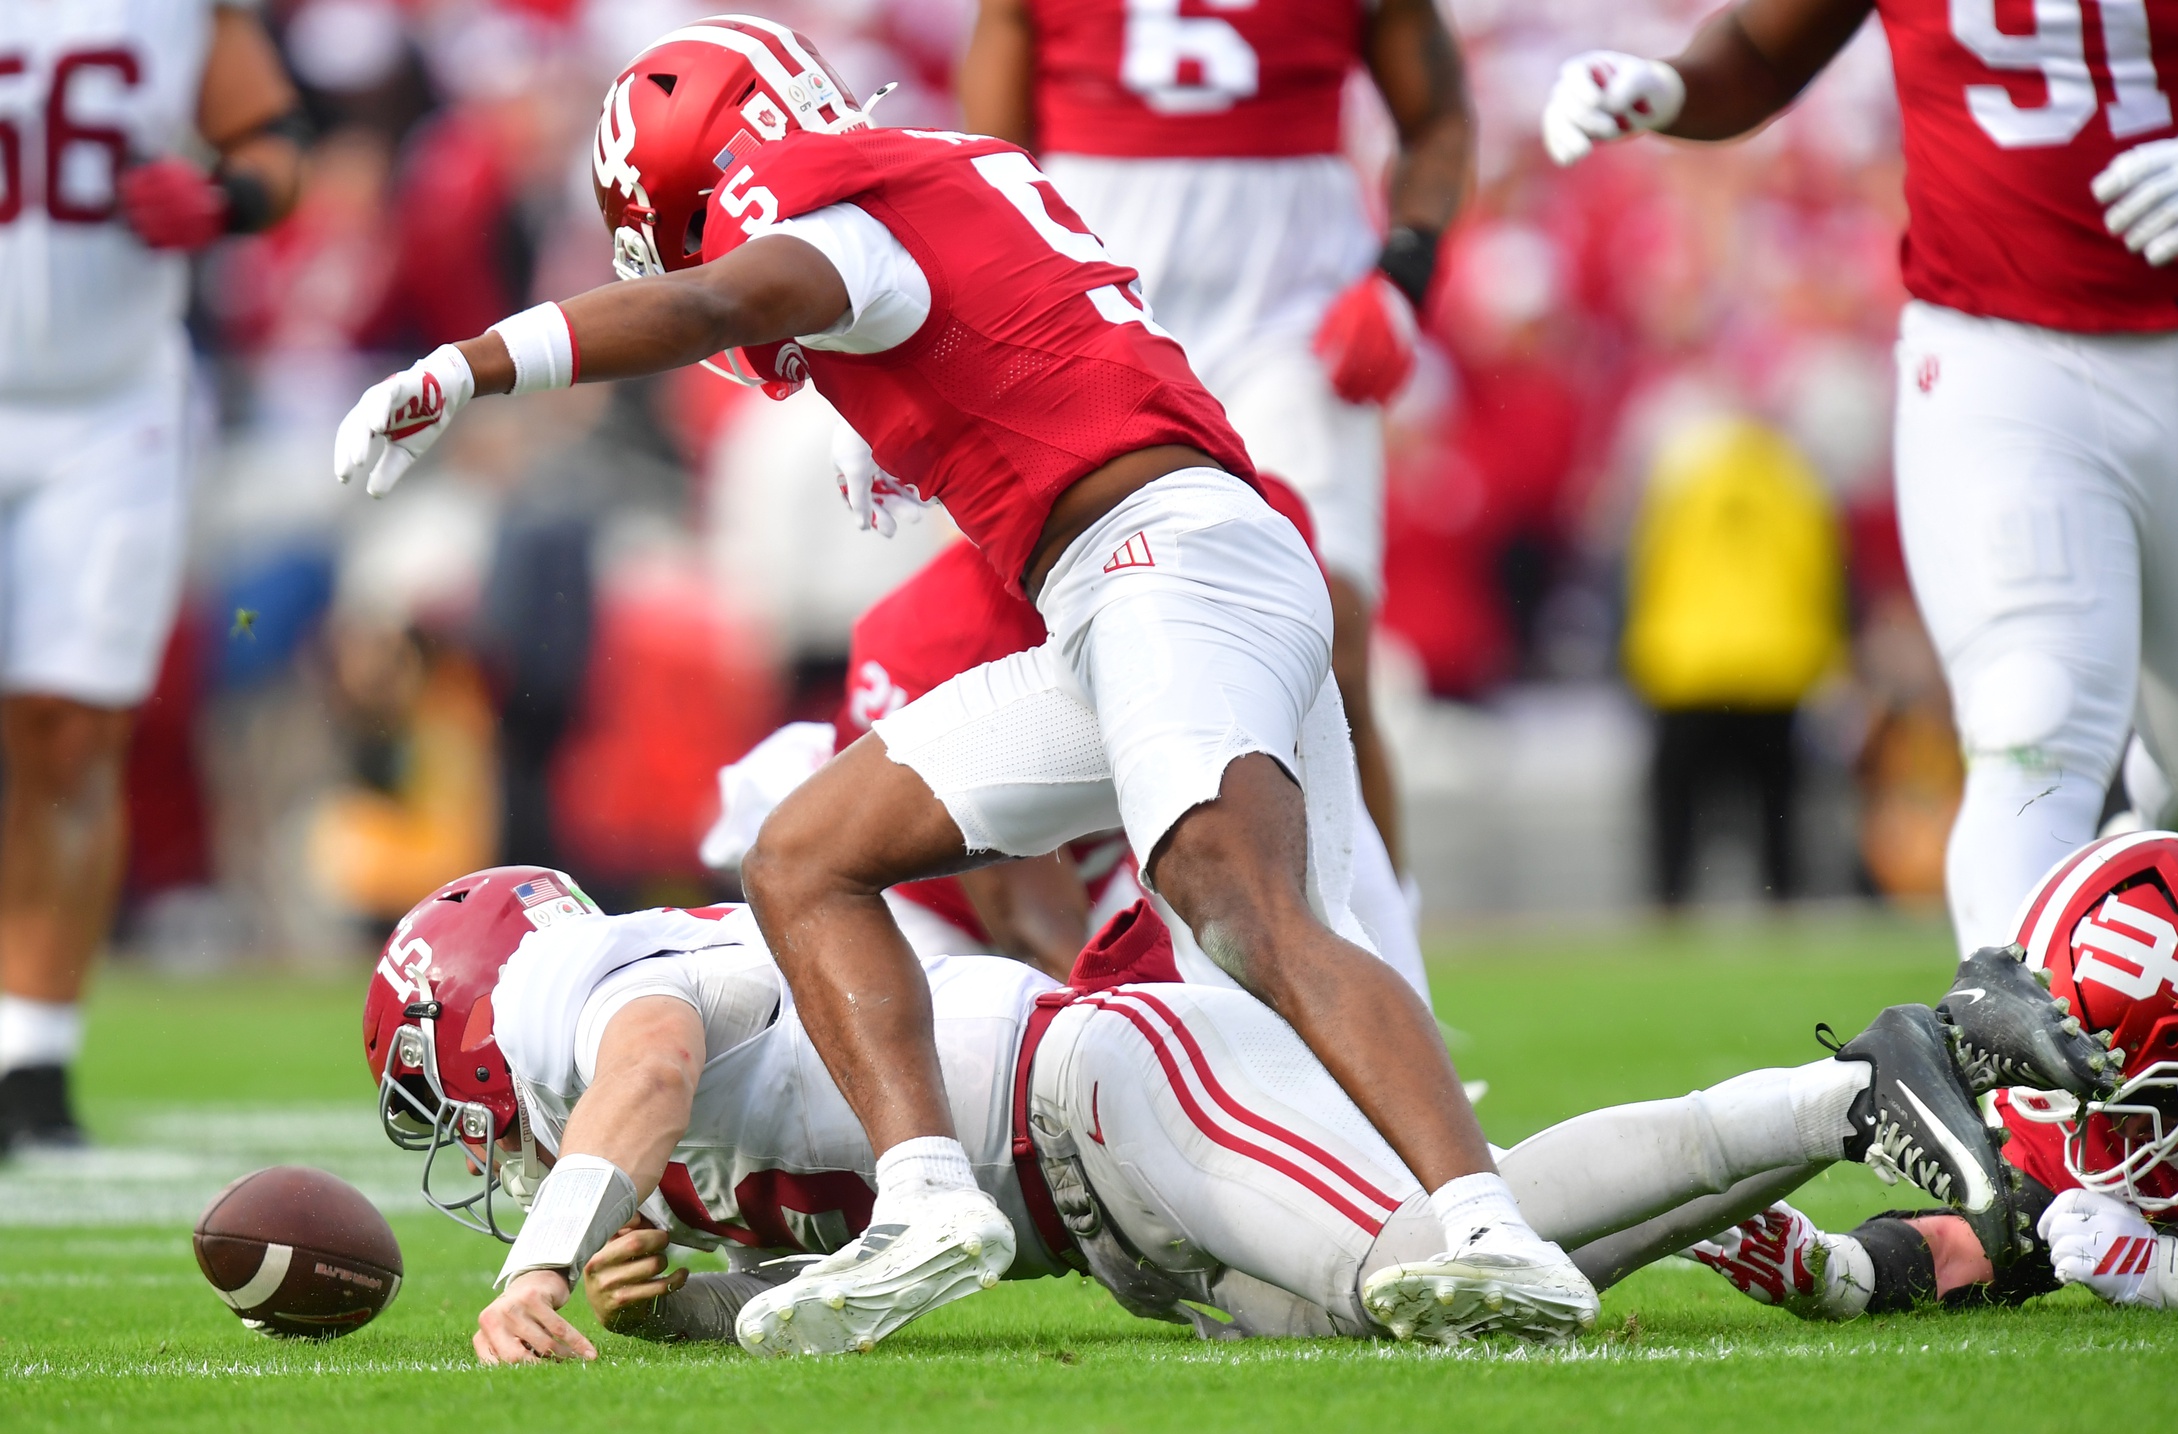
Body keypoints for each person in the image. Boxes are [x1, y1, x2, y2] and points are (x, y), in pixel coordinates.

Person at [334, 17, 1586, 1353]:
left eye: (697, 229)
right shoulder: (930, 180)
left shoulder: (841, 214)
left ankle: (1489, 1227)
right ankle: (929, 1202)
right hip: (1128, 587)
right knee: (804, 856)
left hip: (1164, 562)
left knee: (1247, 909)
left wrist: (468, 365)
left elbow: (713, 305)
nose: (706, 257)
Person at [360, 863, 2066, 1362]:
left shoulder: (582, 993)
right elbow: (843, 1259)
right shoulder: (629, 1124)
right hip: (1100, 1219)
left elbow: (655, 1059)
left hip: (1103, 1092)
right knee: (1428, 1303)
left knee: (1413, 1273)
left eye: (447, 1097)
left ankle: (1863, 1079)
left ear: (479, 1009)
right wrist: (678, 1307)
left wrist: (541, 1261)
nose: (478, 1140)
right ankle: (1868, 1234)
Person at [1540, 0, 2178, 959]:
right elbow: (1759, 51)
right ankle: (2018, 1046)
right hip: (2003, 355)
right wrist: (1670, 86)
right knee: (2032, 726)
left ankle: (2134, 917)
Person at [957, 0, 1475, 874]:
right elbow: (987, 162)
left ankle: (1380, 938)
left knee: (1328, 642)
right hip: (1098, 304)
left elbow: (1439, 118)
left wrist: (1404, 270)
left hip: (1291, 311)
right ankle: (1085, 938)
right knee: (1043, 644)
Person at [702, 488, 1431, 997]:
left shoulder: (1237, 521)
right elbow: (1036, 926)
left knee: (1323, 864)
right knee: (1022, 1056)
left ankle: (1422, 1120)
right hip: (937, 892)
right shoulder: (947, 634)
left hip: (1112, 840)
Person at [0, 0, 303, 1150]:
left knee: (72, 727)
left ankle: (30, 1053)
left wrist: (224, 202)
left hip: (107, 408)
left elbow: (273, 147)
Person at [1692, 831, 2178, 1317]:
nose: (2115, 1130)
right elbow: (1971, 1248)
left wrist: (2159, 1271)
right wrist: (1830, 1269)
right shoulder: (2083, 1126)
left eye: (2148, 1099)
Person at [1621, 416, 1845, 905]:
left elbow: (1646, 561)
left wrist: (1640, 651)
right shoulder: (1793, 481)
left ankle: (1670, 908)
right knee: (1777, 813)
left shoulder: (1679, 480)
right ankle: (1784, 905)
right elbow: (1819, 569)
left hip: (1689, 666)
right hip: (1774, 664)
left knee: (1677, 815)